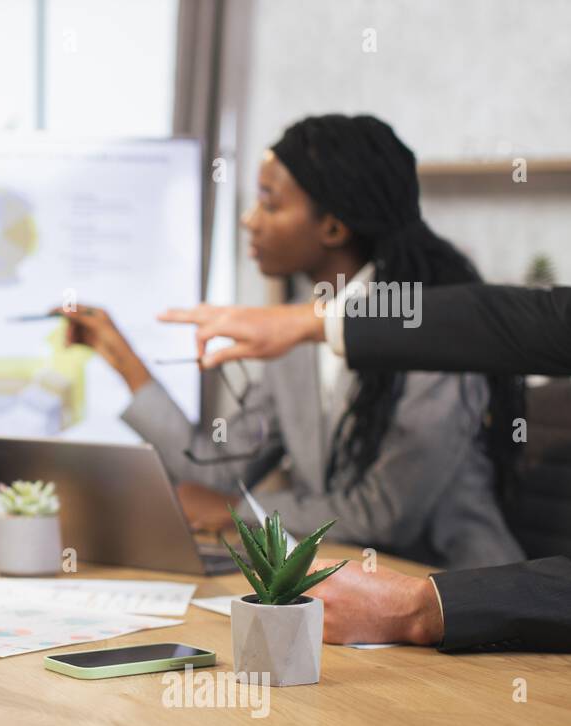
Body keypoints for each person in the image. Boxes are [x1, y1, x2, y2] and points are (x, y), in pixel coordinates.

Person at [60, 115, 524, 573]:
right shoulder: (293, 331)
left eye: (270, 203)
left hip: (462, 592)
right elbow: (215, 472)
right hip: (349, 584)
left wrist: (236, 510)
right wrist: (122, 359)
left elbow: (384, 515)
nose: (249, 220)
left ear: (333, 228)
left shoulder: (425, 327)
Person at [160, 278, 571, 652]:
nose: (252, 225)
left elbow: (381, 513)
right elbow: (529, 317)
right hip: (381, 604)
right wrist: (316, 321)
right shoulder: (307, 337)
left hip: (476, 605)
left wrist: (423, 608)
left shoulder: (431, 372)